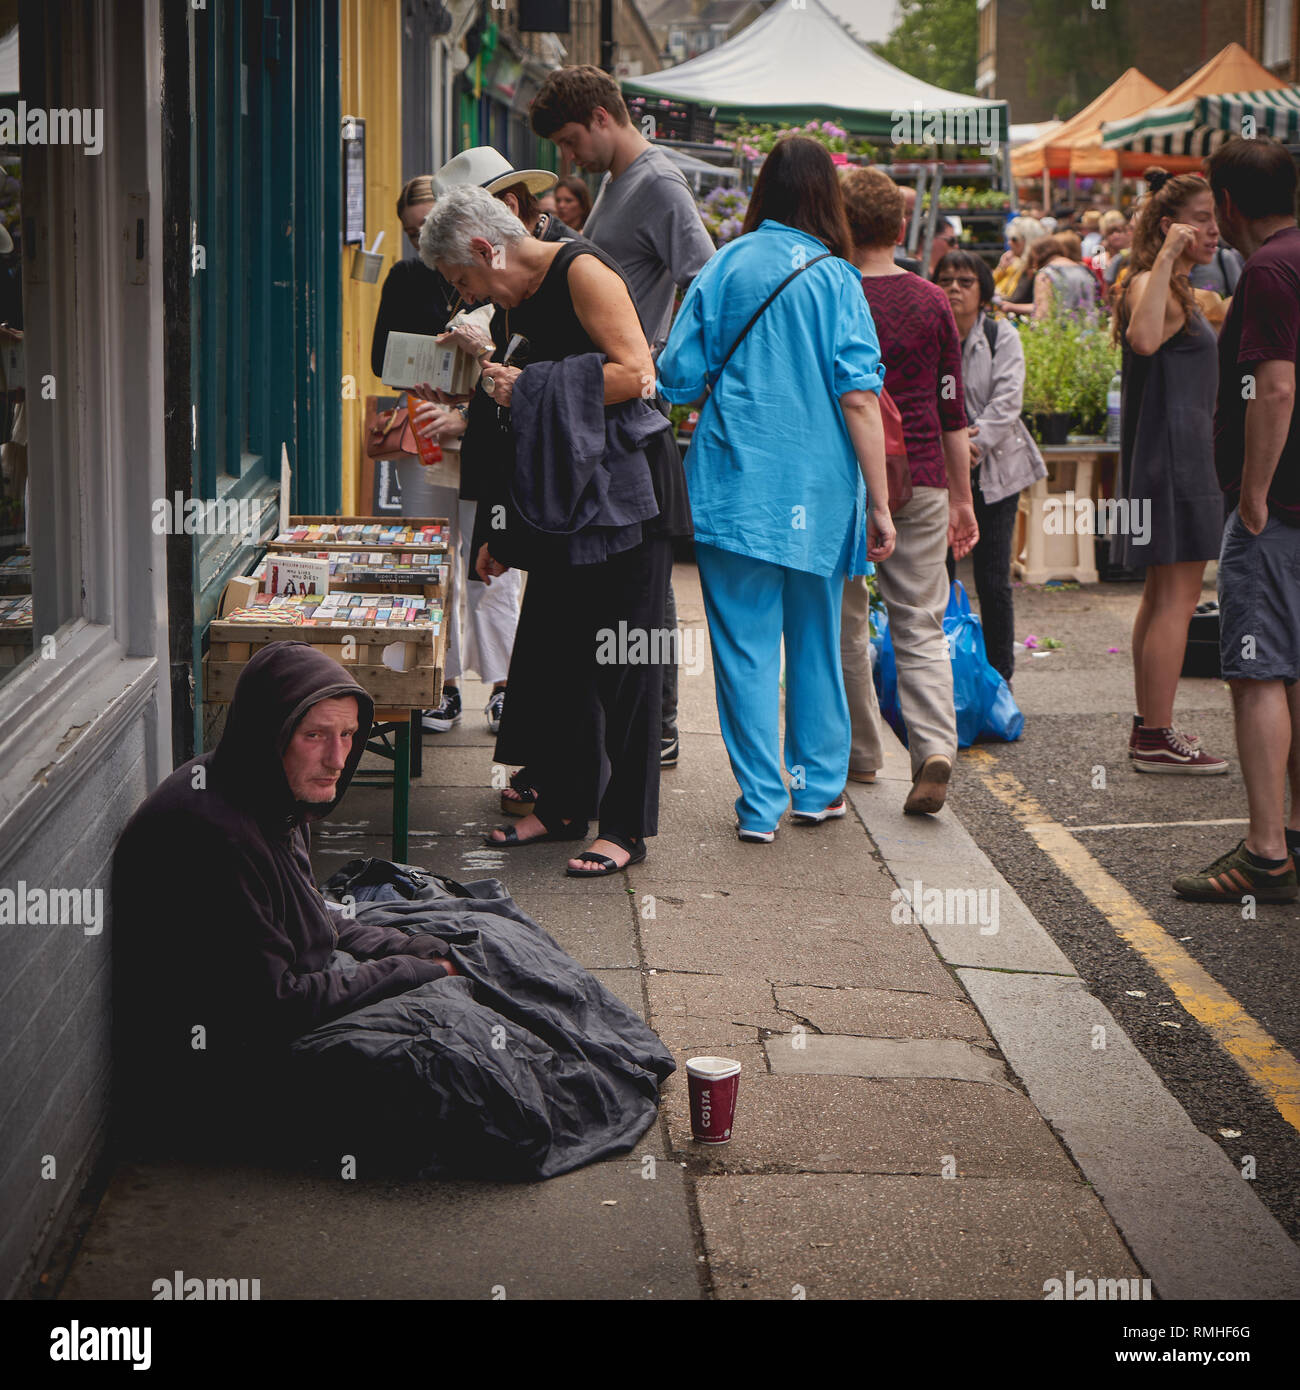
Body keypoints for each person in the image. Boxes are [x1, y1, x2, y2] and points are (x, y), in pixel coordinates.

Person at [421, 185, 686, 876]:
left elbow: (638, 374)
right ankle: (568, 802)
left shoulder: (582, 271)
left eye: (463, 279)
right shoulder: (519, 295)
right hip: (571, 496)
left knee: (625, 663)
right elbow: (514, 412)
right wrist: (501, 534)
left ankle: (625, 828)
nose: (468, 293)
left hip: (627, 494)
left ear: (486, 248)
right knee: (560, 654)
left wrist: (527, 386)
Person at [111, 644, 460, 1153]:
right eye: (315, 735)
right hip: (211, 1084)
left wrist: (410, 947)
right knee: (457, 1070)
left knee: (466, 943)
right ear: (269, 734)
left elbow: (312, 915)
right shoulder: (215, 838)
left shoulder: (265, 792)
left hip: (262, 1019)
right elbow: (274, 1006)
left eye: (347, 735)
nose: (337, 759)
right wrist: (411, 971)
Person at [656, 137, 894, 840]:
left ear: (763, 189)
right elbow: (859, 398)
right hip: (818, 495)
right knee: (817, 642)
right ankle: (818, 790)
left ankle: (760, 805)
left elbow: (674, 377)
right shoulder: (838, 277)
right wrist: (880, 504)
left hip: (734, 487)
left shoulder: (725, 264)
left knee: (745, 649)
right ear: (828, 197)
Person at [531, 64, 716, 770]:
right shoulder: (616, 182)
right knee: (623, 573)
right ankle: (624, 719)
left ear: (604, 118)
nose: (570, 158)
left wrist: (667, 368)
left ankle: (661, 721)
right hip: (604, 400)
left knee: (647, 575)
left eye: (574, 140)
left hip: (634, 404)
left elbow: (702, 280)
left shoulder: (660, 183)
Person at [405, 148, 572, 744]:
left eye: (457, 274)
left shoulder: (561, 267)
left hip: (537, 463)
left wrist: (489, 387)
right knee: (466, 563)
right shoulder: (483, 274)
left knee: (502, 577)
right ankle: (455, 687)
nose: (456, 284)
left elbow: (603, 375)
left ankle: (511, 694)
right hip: (483, 444)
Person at [1175, 136, 1300, 902]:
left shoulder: (1269, 269)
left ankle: (1264, 851)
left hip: (1280, 508)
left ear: (1226, 203)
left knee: (1257, 670)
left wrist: (1252, 494)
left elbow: (1274, 389)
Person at [838, 166, 976, 815]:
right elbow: (953, 410)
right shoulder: (931, 299)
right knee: (919, 621)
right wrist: (962, 498)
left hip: (841, 478)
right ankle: (933, 748)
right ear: (899, 227)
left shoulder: (830, 293)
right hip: (920, 475)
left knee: (845, 618)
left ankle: (862, 755)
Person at [1113, 167, 1231, 774]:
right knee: (1176, 600)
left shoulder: (1191, 292)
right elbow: (1141, 339)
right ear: (1171, 226)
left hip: (1168, 462)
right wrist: (1165, 256)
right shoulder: (1146, 283)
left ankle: (1148, 730)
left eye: (1217, 217)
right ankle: (1156, 735)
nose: (1215, 228)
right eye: (1203, 217)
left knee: (1163, 597)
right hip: (1176, 465)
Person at [937, 248, 1046, 685]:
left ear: (983, 290)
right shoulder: (930, 332)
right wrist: (952, 447)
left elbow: (1007, 402)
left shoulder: (1002, 337)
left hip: (994, 472)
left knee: (993, 578)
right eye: (945, 280)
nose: (954, 289)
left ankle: (1001, 677)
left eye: (965, 282)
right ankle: (942, 674)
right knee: (938, 573)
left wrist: (966, 442)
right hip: (941, 474)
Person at [1032, 232, 1099, 318]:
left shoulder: (1046, 274)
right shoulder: (1084, 270)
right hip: (1090, 329)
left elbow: (1043, 312)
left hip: (1060, 329)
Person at [894, 184, 923, 275]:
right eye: (906, 212)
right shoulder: (882, 247)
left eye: (915, 214)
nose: (909, 218)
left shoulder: (923, 243)